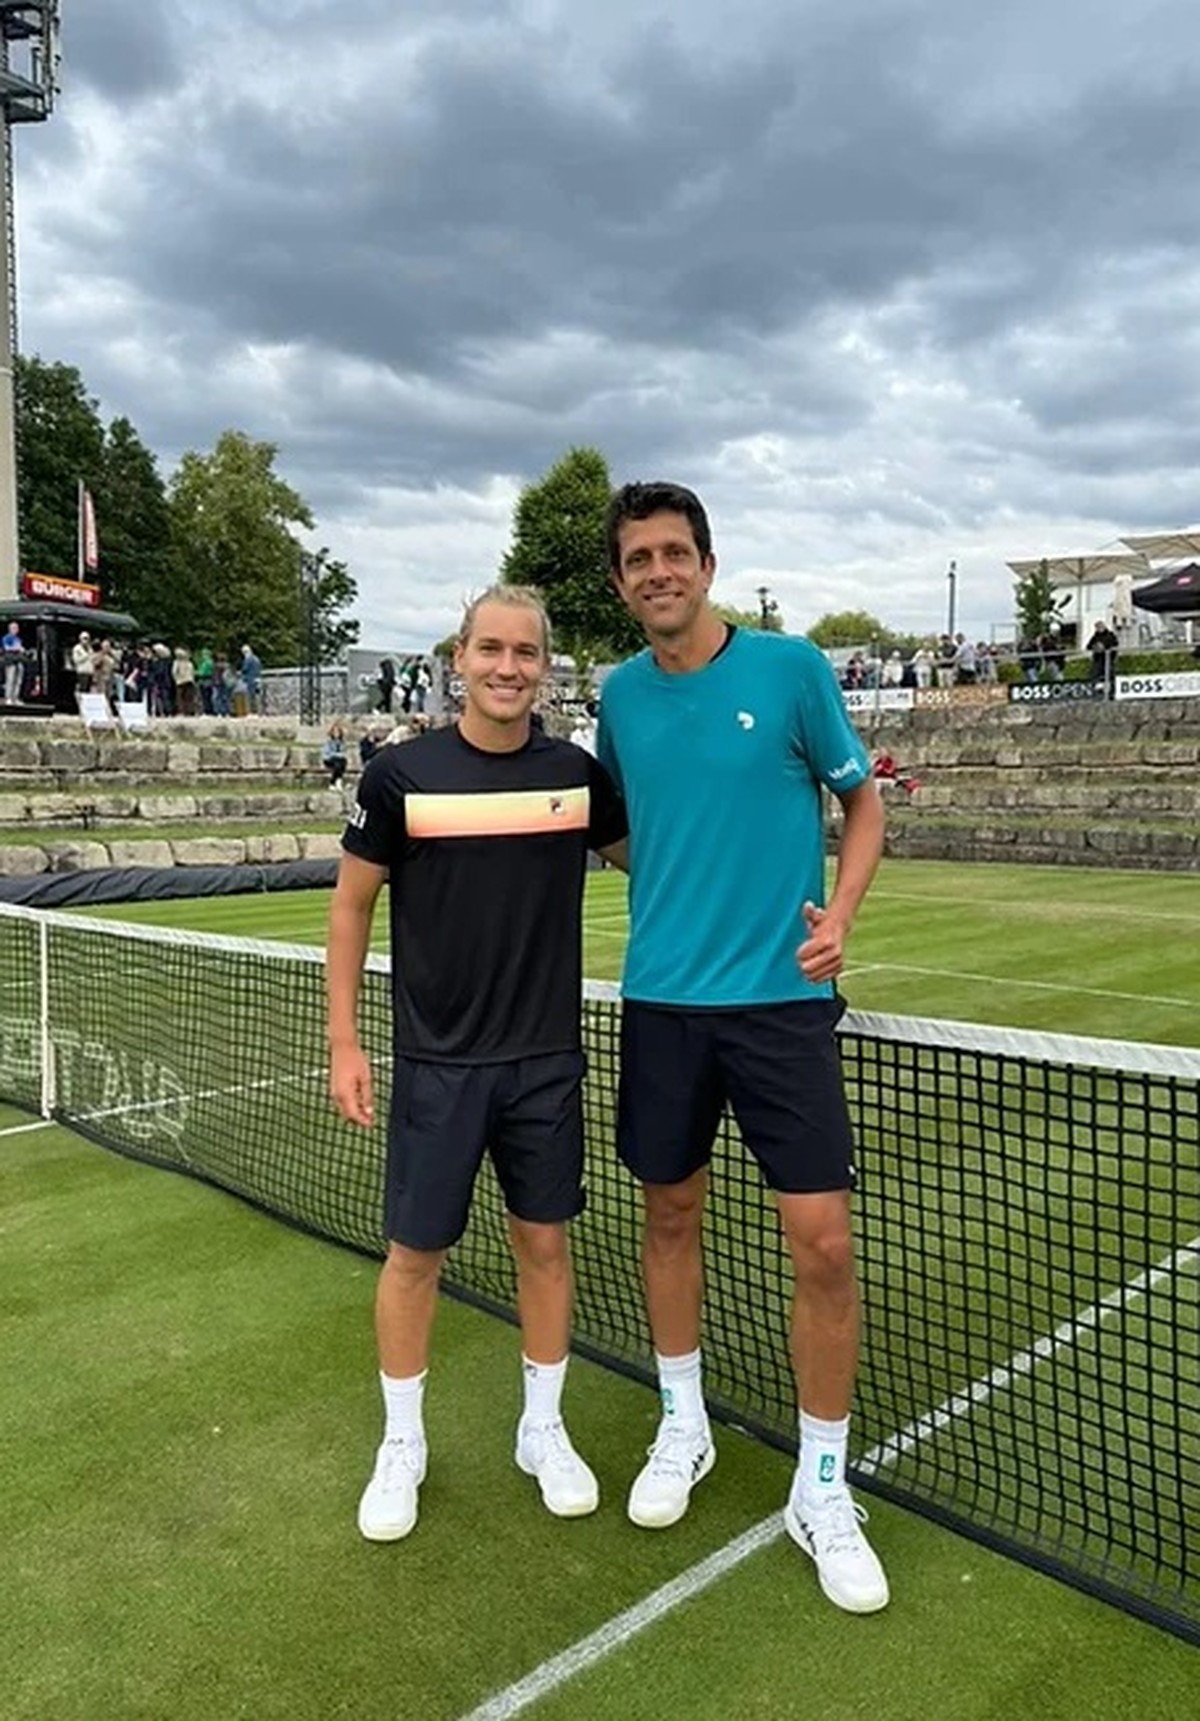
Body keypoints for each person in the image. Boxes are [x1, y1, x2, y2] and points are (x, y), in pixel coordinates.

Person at [597, 480, 889, 1615]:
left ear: (708, 565)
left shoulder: (793, 669)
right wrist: (677, 879)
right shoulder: (618, 697)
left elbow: (861, 804)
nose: (659, 571)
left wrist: (842, 912)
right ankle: (685, 1423)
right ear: (623, 584)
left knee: (820, 1243)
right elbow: (618, 824)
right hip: (662, 1003)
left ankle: (822, 1483)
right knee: (668, 1213)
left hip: (780, 1009)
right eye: (639, 559)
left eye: (676, 552)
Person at [327, 584, 628, 1543]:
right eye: (490, 649)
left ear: (546, 666)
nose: (508, 668)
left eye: (526, 653)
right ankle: (402, 1443)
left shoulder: (577, 776)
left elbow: (663, 859)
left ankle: (542, 1428)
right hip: (436, 1067)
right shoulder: (398, 776)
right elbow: (350, 908)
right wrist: (344, 1041)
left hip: (545, 1063)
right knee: (415, 1256)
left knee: (544, 1246)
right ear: (459, 656)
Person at [1086, 620, 1119, 694]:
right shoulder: (1095, 636)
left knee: (1110, 675)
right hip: (1098, 659)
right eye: (1097, 627)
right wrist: (1095, 647)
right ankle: (1096, 691)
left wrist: (1104, 646)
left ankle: (1112, 692)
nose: (1099, 629)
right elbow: (1088, 646)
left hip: (1108, 659)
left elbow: (1114, 644)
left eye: (1100, 627)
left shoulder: (1110, 635)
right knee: (1095, 675)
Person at [322, 719, 348, 788]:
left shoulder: (342, 742)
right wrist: (338, 755)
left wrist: (340, 755)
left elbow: (343, 751)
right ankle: (333, 782)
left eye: (338, 732)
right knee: (337, 764)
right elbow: (327, 753)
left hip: (339, 760)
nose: (336, 734)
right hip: (329, 759)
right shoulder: (329, 742)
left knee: (342, 762)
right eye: (335, 732)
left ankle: (338, 780)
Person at [3, 619, 23, 704]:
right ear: (10, 629)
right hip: (10, 661)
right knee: (10, 680)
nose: (16, 629)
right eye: (14, 628)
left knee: (18, 680)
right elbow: (7, 648)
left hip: (18, 660)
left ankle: (15, 697)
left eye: (17, 628)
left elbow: (20, 648)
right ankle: (8, 698)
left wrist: (21, 649)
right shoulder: (6, 638)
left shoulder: (18, 639)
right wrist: (17, 648)